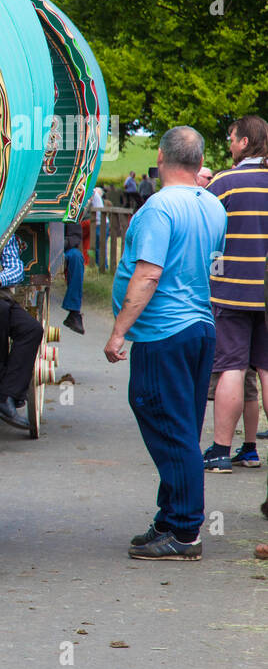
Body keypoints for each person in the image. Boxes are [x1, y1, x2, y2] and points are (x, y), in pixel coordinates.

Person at [104, 126, 226, 562]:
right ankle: (171, 516)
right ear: (197, 161)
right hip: (199, 326)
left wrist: (119, 331)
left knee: (165, 422)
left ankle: (186, 531)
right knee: (183, 425)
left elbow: (149, 273)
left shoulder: (157, 208)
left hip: (165, 331)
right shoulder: (212, 206)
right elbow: (214, 265)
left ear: (160, 156)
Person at [202, 114, 268, 471]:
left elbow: (208, 237)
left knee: (231, 368)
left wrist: (215, 273)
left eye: (231, 138)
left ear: (244, 143)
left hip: (231, 294)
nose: (229, 144)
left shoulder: (225, 182)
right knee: (266, 371)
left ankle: (220, 452)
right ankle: (252, 450)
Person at [0, 237, 41, 430]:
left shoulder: (3, 226)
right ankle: (1, 386)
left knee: (32, 329)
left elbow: (16, 269)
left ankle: (5, 396)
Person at [62, 219, 85, 334]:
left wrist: (60, 243)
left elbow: (75, 237)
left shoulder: (69, 205)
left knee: (76, 257)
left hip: (61, 248)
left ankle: (74, 310)